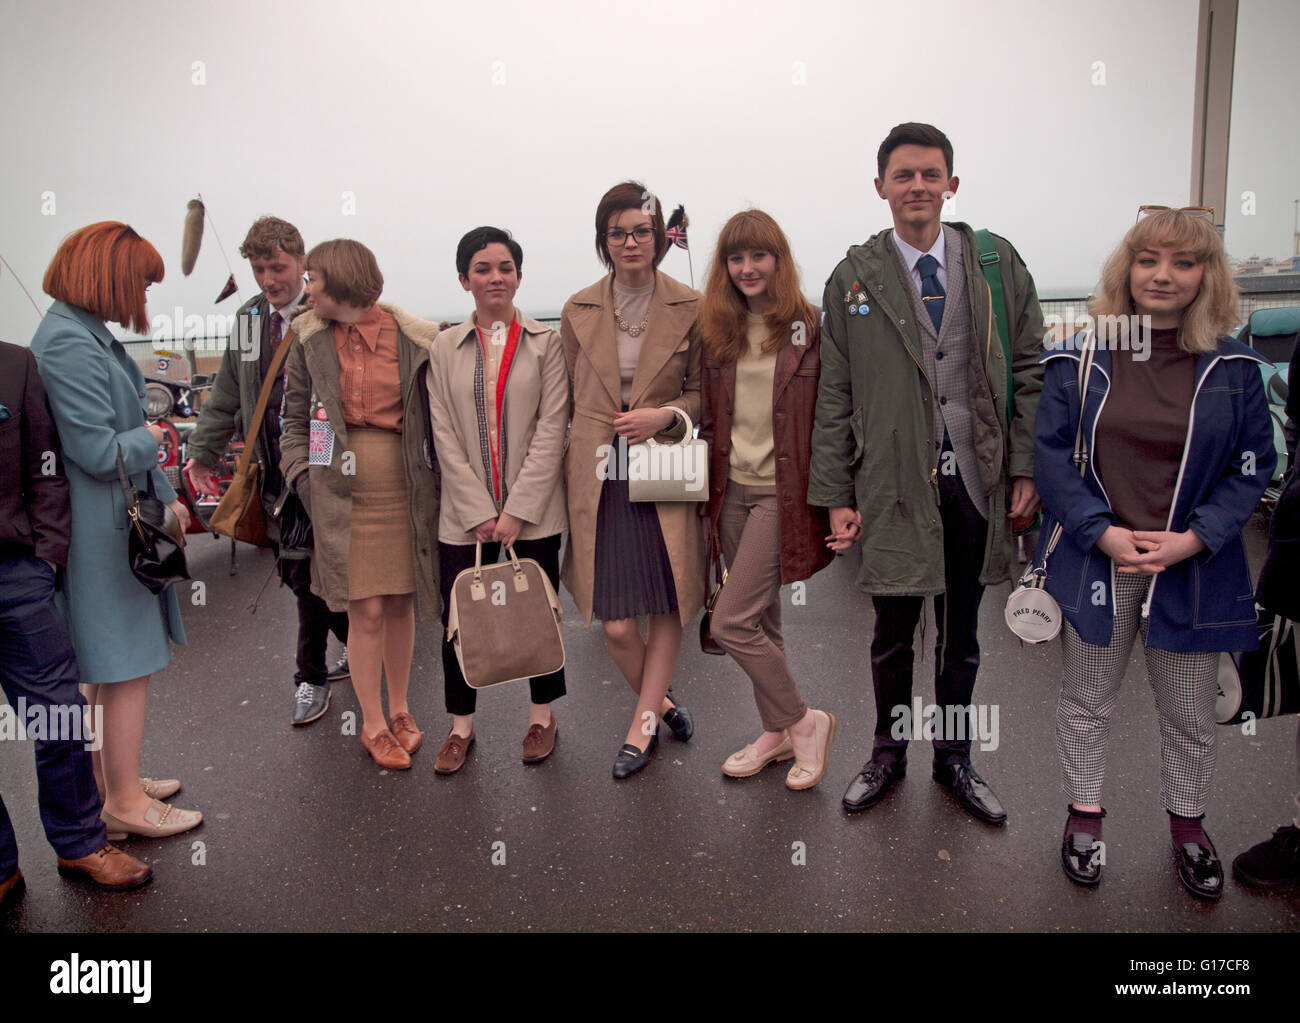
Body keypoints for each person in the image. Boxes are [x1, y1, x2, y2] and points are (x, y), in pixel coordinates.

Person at [809, 123, 1046, 823]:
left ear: (952, 183)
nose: (917, 186)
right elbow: (835, 394)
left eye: (930, 174)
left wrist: (1027, 467)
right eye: (903, 175)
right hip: (892, 484)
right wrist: (834, 496)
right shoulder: (852, 277)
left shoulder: (997, 264)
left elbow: (1031, 369)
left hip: (977, 478)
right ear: (880, 186)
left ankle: (955, 758)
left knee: (963, 634)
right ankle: (887, 753)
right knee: (891, 632)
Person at [1036, 207, 1273, 898]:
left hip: (1191, 567)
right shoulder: (1079, 355)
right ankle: (1084, 816)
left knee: (1191, 713)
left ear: (1206, 275)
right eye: (1149, 260)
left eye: (1183, 262)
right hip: (1100, 561)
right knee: (1086, 700)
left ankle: (1189, 830)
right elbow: (1051, 457)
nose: (1163, 275)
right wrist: (1099, 530)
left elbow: (1252, 465)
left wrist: (1195, 537)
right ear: (1127, 269)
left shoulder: (1232, 366)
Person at [30, 222, 203, 842]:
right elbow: (99, 451)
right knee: (126, 666)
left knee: (107, 666)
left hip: (103, 523)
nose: (145, 298)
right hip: (105, 530)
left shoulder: (74, 334)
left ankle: (113, 782)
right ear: (109, 277)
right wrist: (155, 438)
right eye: (141, 283)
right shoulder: (72, 343)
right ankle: (124, 800)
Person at [0, 339, 154, 903]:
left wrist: (45, 559)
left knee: (59, 713)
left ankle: (81, 844)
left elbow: (46, 466)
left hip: (15, 574)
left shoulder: (15, 364)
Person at [561, 180, 703, 779]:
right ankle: (662, 702)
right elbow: (560, 400)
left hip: (666, 461)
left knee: (668, 600)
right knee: (616, 622)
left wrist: (667, 415)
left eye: (641, 230)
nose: (630, 242)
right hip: (601, 472)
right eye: (617, 233)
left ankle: (642, 725)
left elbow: (706, 394)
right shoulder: (576, 308)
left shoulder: (693, 306)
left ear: (659, 236)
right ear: (603, 241)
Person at [280, 239, 440, 771]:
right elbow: (296, 421)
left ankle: (400, 710)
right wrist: (305, 480)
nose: (307, 290)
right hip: (339, 491)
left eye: (313, 279)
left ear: (342, 282)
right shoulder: (307, 338)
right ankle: (371, 723)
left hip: (405, 485)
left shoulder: (416, 338)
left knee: (399, 602)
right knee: (363, 608)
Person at [184, 217, 350, 726]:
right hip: (270, 473)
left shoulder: (326, 310)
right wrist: (202, 453)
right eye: (259, 269)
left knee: (308, 573)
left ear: (301, 263)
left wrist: (321, 470)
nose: (269, 279)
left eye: (277, 267)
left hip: (317, 462)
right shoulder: (250, 319)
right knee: (299, 570)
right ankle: (359, 641)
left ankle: (311, 677)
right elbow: (228, 394)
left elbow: (335, 394)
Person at [698, 210, 836, 789]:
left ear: (778, 260)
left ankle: (806, 722)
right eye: (736, 258)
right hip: (730, 490)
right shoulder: (718, 330)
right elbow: (705, 409)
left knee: (730, 623)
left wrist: (838, 496)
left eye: (759, 256)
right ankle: (776, 734)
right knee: (762, 621)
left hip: (783, 493)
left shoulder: (811, 326)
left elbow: (835, 416)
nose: (747, 268)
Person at [425, 227, 569, 773]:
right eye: (482, 268)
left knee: (539, 616)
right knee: (459, 619)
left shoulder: (546, 344)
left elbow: (552, 428)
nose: (495, 277)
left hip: (534, 515)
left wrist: (516, 511)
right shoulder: (444, 348)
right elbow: (444, 434)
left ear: (519, 277)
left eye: (505, 267)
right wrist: (481, 512)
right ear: (465, 279)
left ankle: (541, 716)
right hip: (464, 519)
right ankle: (461, 725)